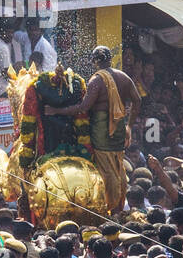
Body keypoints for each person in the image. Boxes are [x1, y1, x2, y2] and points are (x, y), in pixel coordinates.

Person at [48, 45, 138, 214]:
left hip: (102, 130)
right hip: (119, 128)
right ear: (110, 59)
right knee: (117, 165)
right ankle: (117, 206)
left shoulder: (96, 80)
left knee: (105, 168)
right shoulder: (124, 77)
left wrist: (56, 110)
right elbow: (138, 101)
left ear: (95, 62)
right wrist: (129, 126)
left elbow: (83, 107)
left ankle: (109, 209)